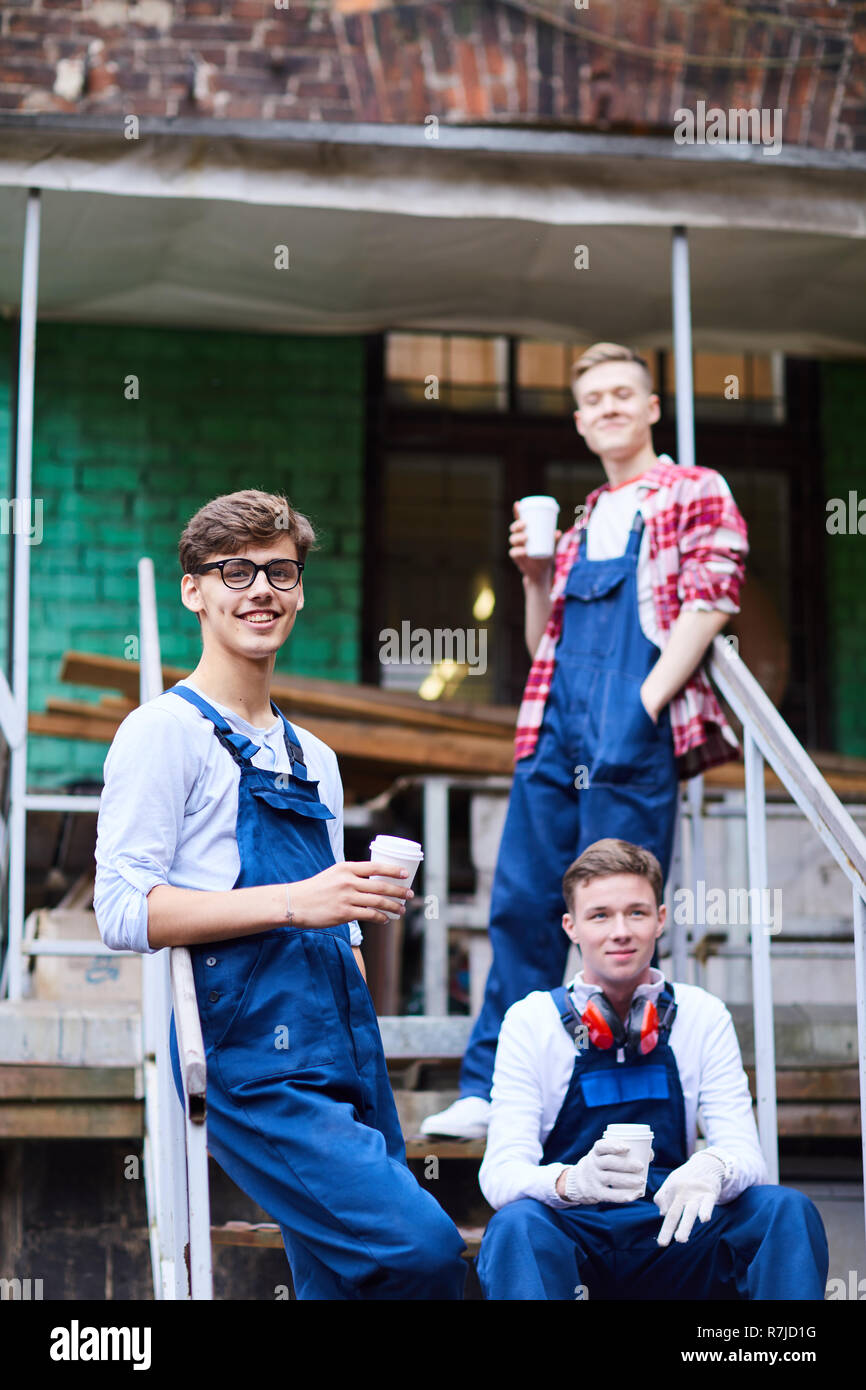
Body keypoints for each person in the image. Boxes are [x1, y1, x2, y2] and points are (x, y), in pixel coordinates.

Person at [94, 488, 467, 1300]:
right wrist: (301, 900)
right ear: (193, 589)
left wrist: (355, 958)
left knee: (341, 1280)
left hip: (342, 1051)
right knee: (423, 1252)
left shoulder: (315, 757)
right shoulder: (165, 732)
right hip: (252, 1060)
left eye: (281, 571)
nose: (261, 589)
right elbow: (123, 911)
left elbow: (340, 922)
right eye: (235, 571)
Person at [423, 342, 749, 1139]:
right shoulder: (576, 527)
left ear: (651, 409)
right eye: (593, 398)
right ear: (579, 421)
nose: (608, 407)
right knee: (524, 904)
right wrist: (535, 577)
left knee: (617, 920)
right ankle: (495, 1091)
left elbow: (714, 598)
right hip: (555, 726)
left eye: (622, 394)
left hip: (633, 730)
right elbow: (545, 645)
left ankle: (618, 1101)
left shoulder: (691, 490)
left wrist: (644, 700)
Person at [475, 838, 829, 1301]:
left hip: (678, 1233)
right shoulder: (531, 1021)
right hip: (578, 1239)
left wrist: (713, 1165)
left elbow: (746, 1154)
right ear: (572, 927)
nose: (620, 931)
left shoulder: (702, 1014)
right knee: (515, 1225)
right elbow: (500, 1173)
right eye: (600, 915)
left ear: (661, 920)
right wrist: (572, 1181)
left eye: (636, 913)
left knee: (784, 1209)